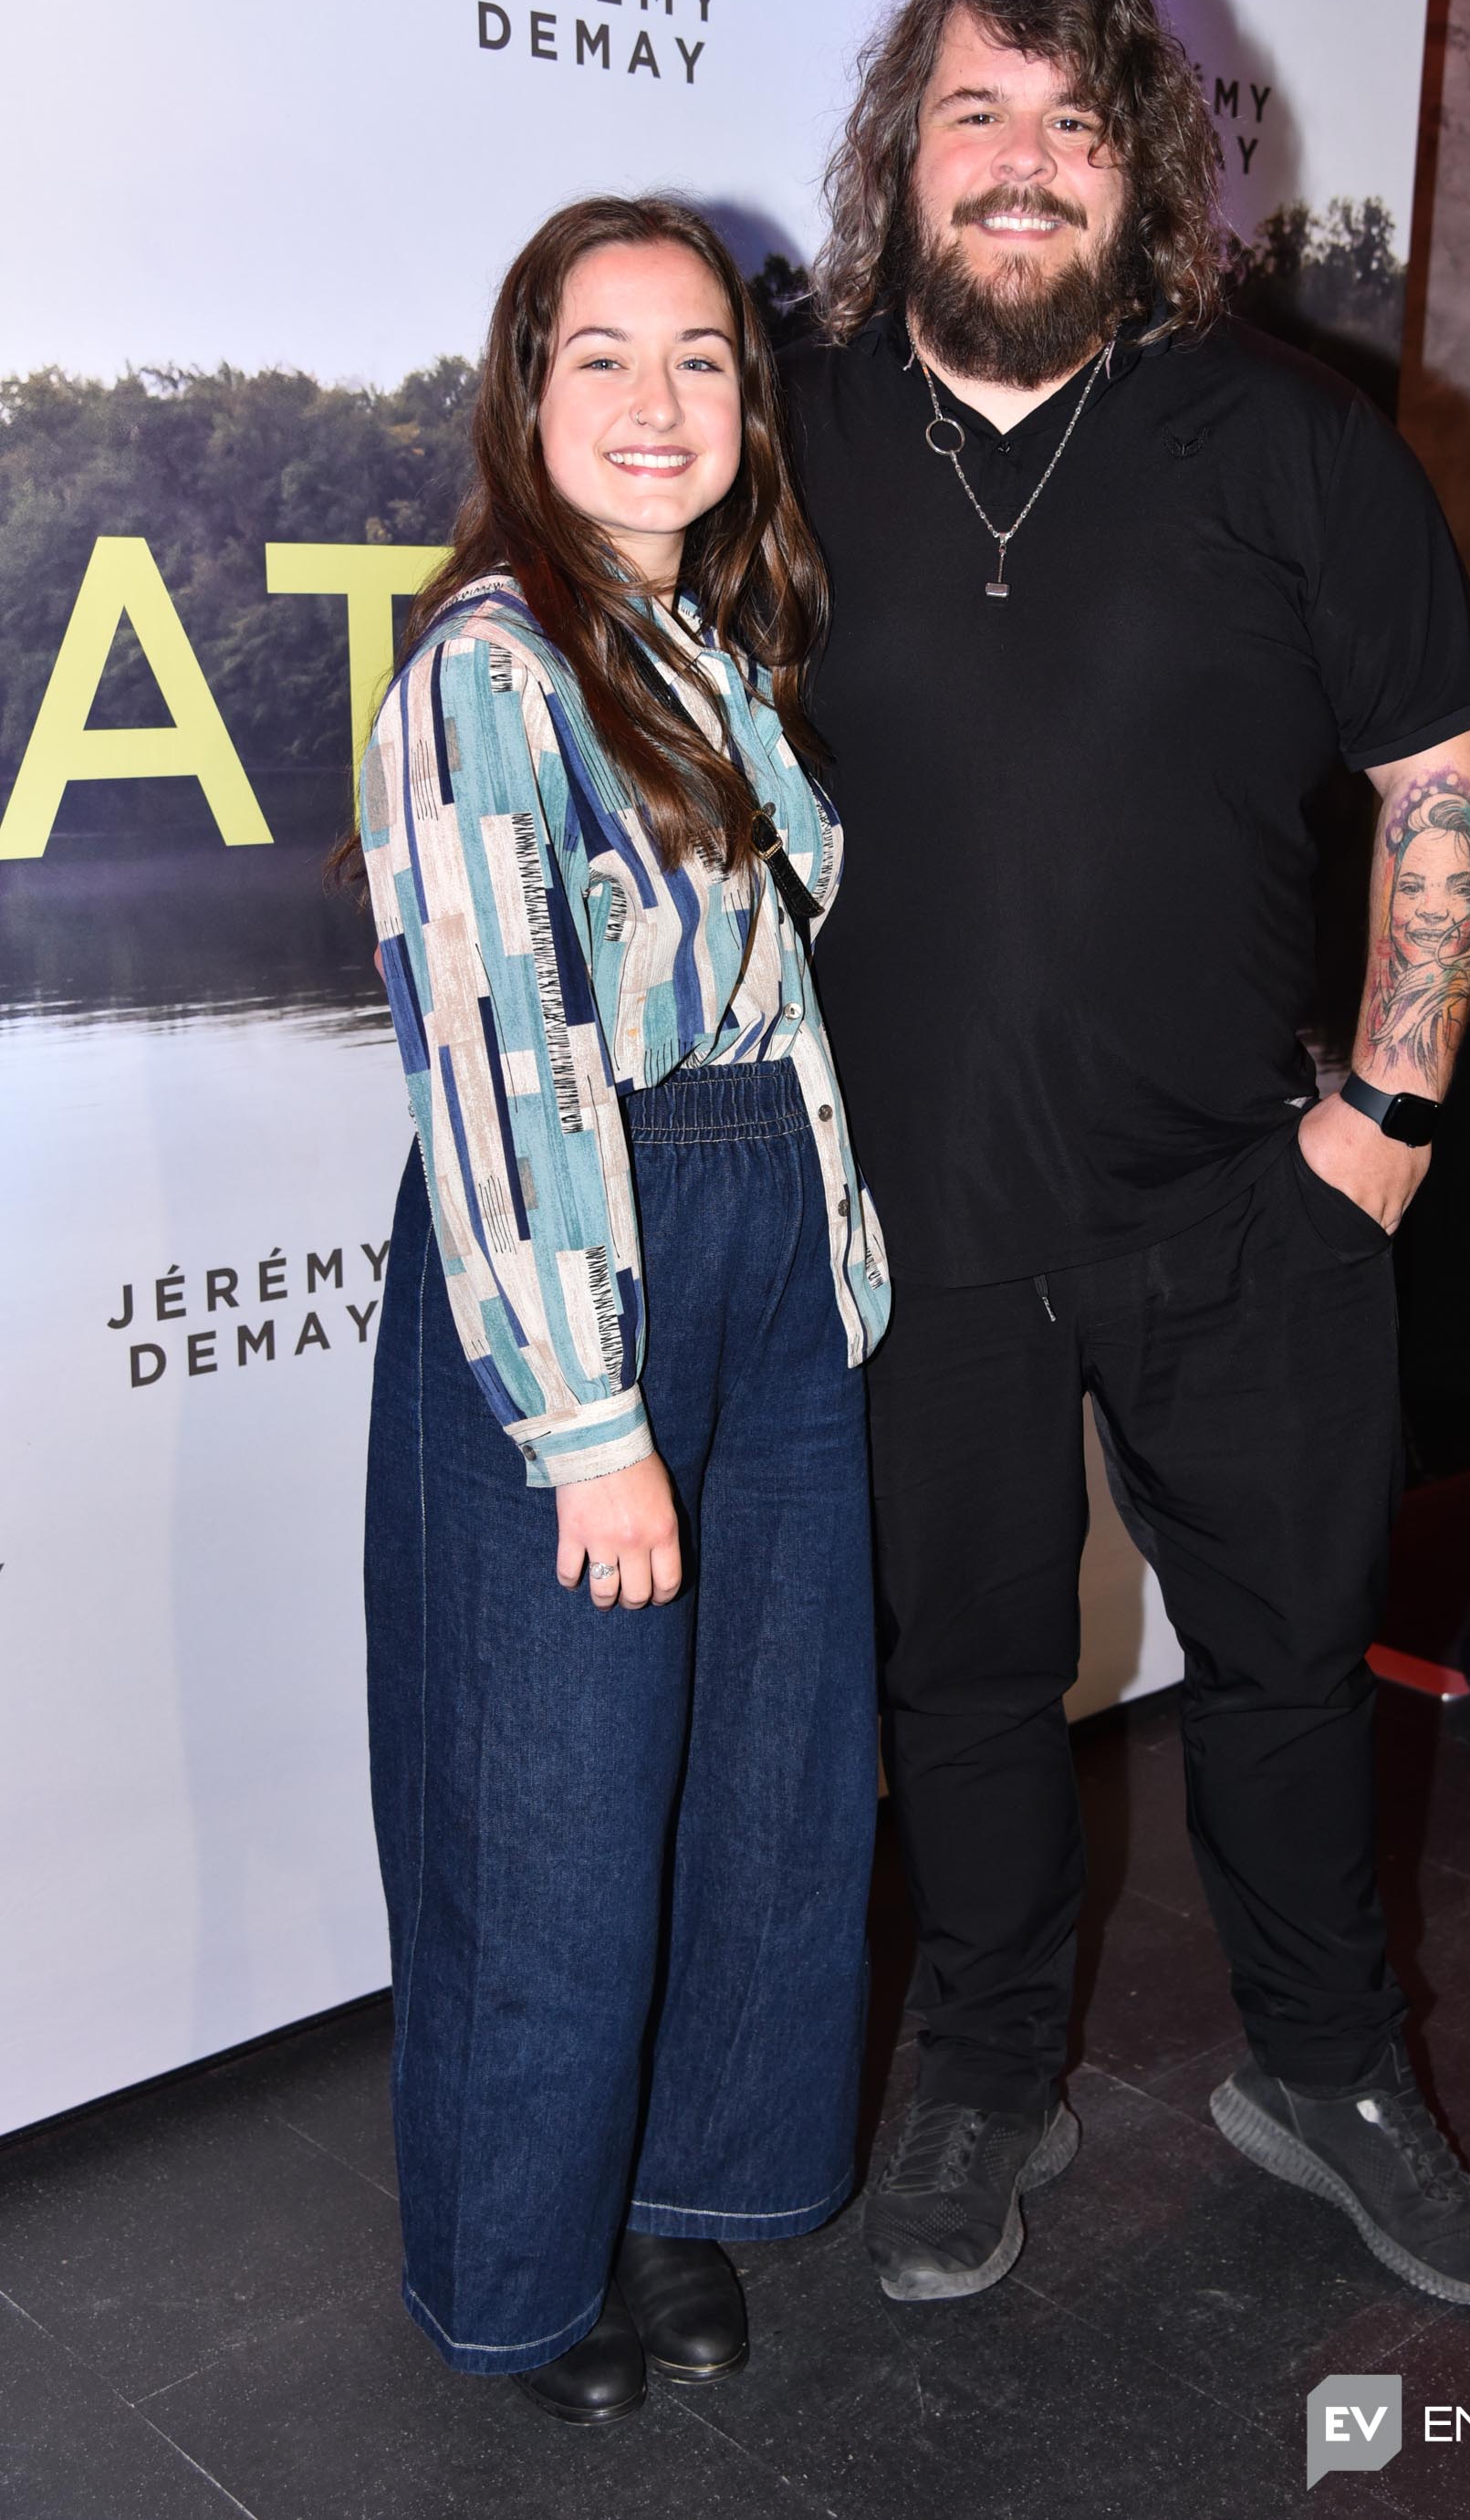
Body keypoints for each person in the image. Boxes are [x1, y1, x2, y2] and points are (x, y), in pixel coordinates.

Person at [780, 0, 1470, 2311]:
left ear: (1143, 175)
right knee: (968, 1676)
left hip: (1246, 1194)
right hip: (920, 1218)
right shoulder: (781, 437)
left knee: (1296, 1657)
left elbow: (1453, 761)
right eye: (974, 119)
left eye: (1070, 127)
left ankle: (1324, 2068)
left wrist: (1394, 1106)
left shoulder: (1288, 438)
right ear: (904, 158)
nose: (1019, 171)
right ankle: (982, 2070)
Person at [356, 195, 890, 2423]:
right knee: (549, 1797)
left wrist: (825, 1255)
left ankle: (690, 2190)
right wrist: (586, 1413)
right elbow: (493, 1054)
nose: (659, 404)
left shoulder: (707, 649)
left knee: (768, 1772)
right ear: (527, 390)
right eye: (606, 358)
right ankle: (521, 2265)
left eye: (700, 361)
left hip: (765, 1228)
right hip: (589, 1241)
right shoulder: (490, 663)